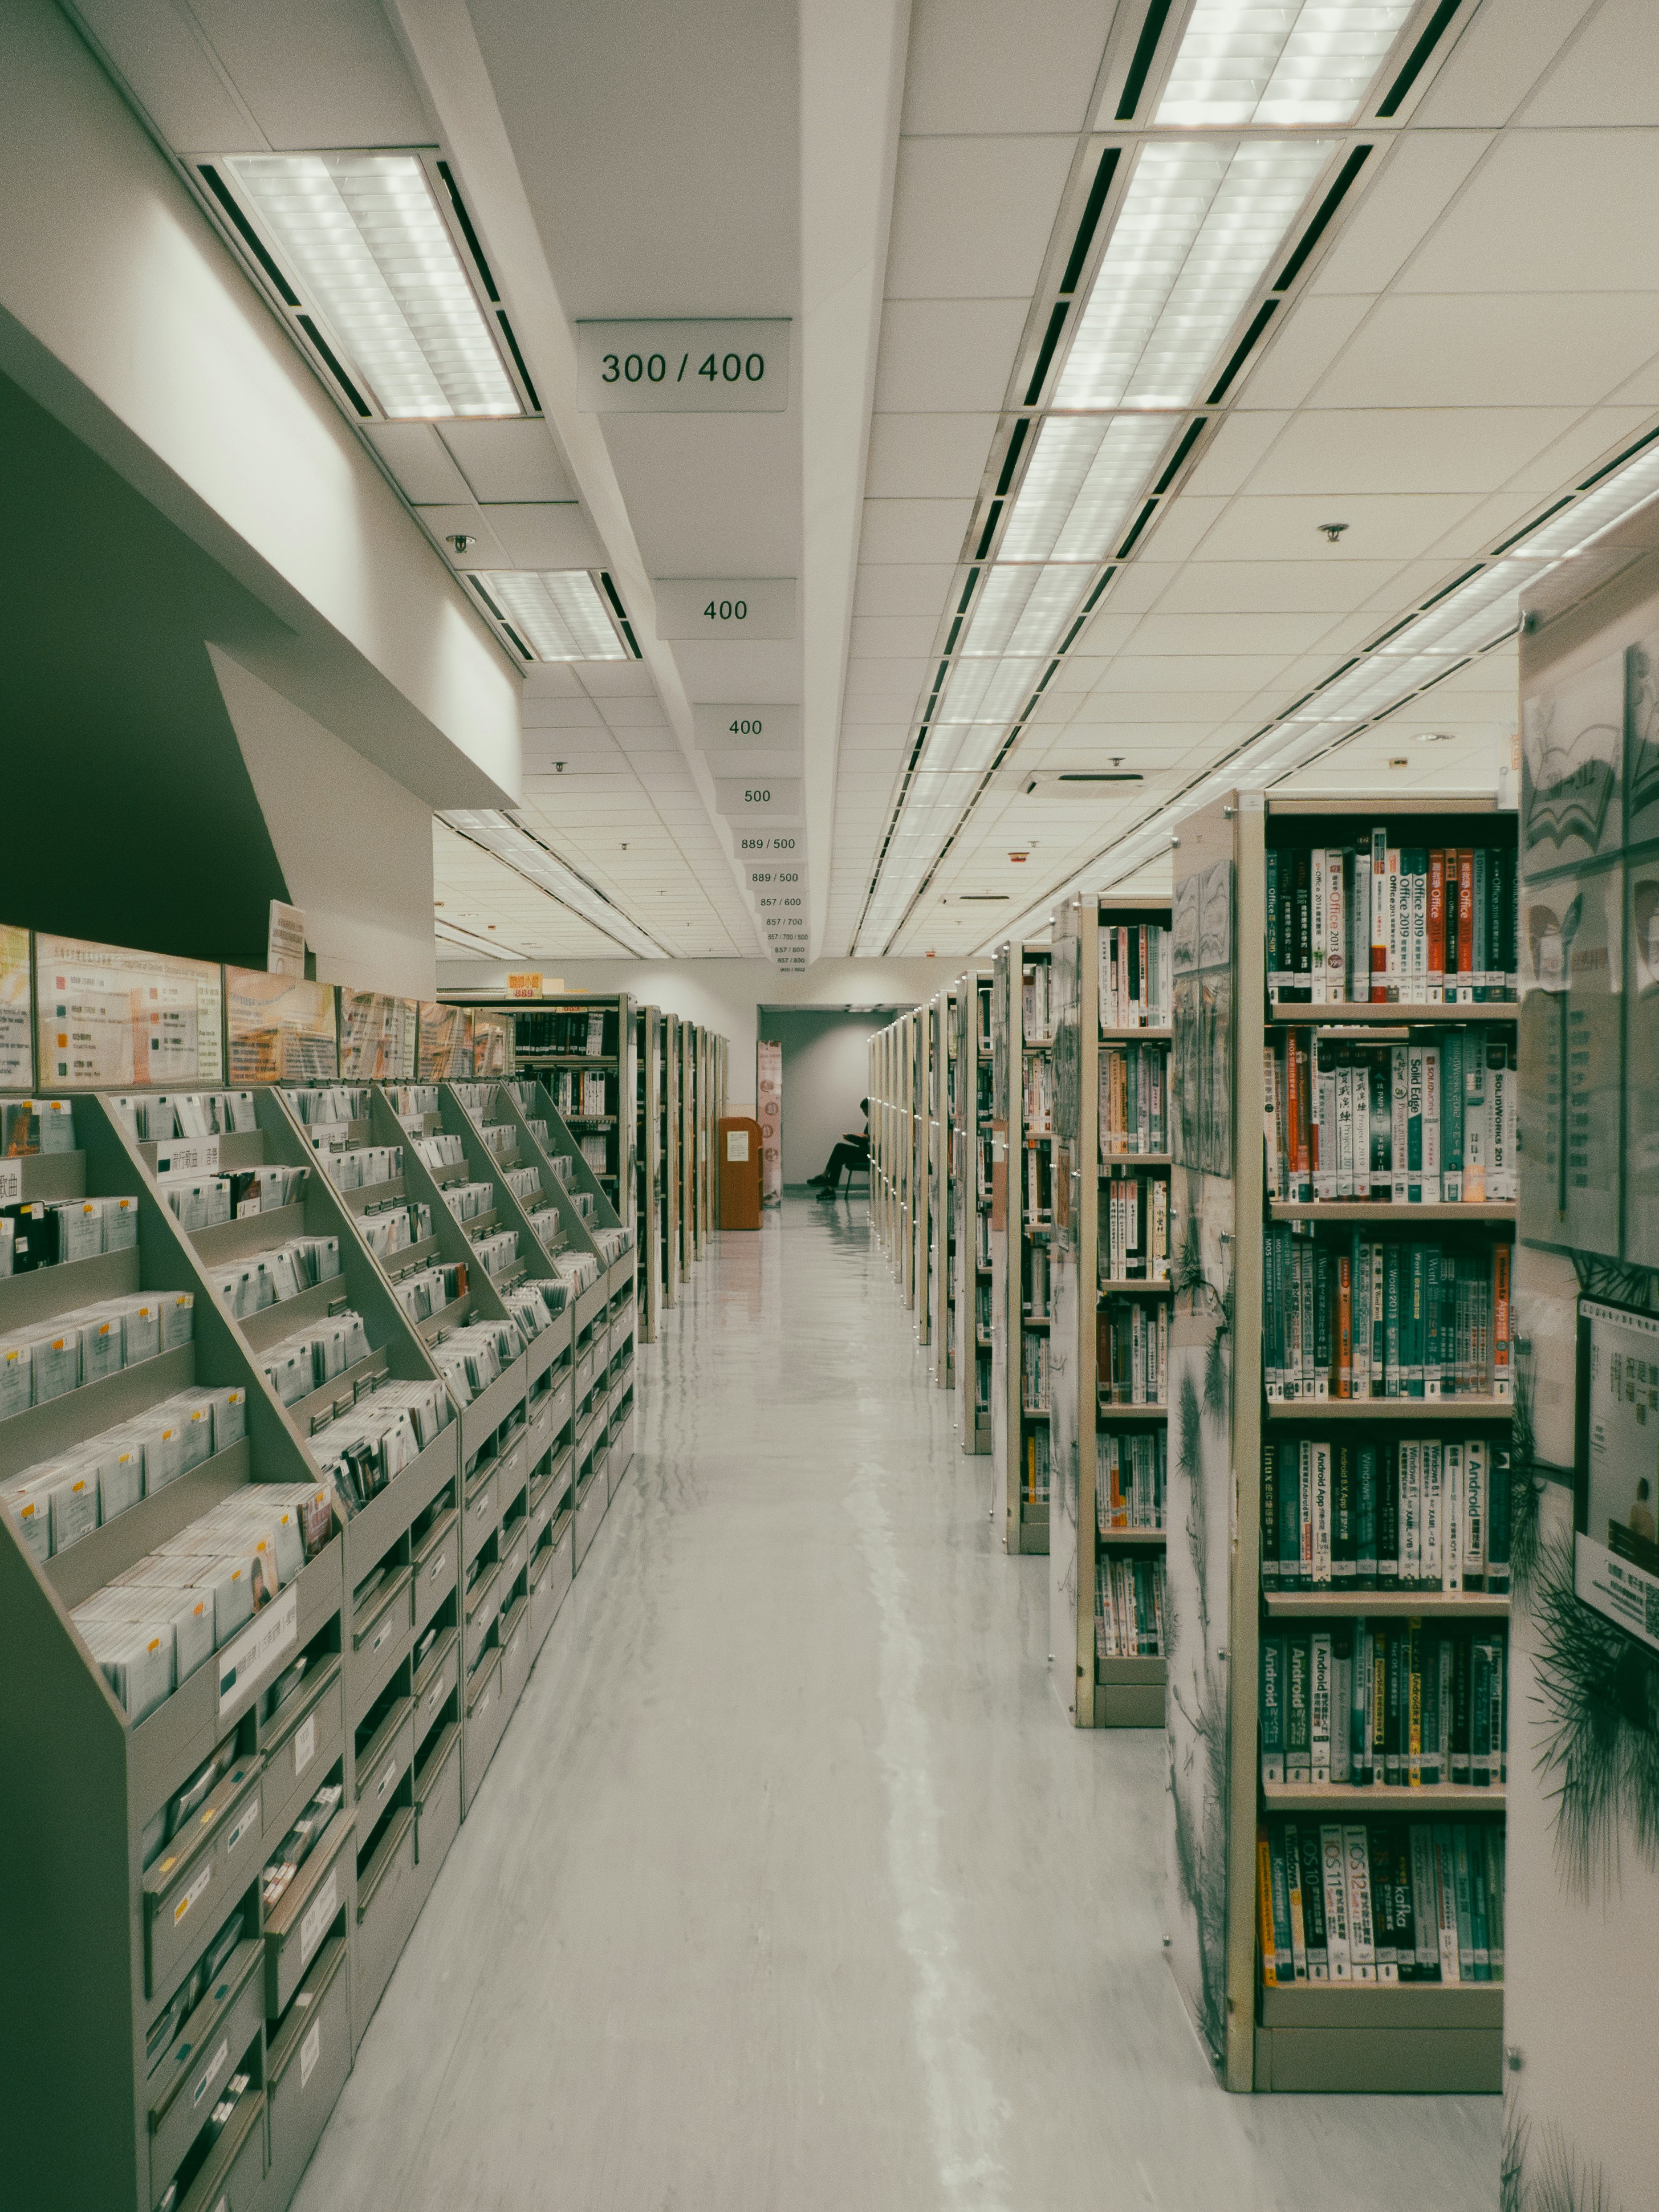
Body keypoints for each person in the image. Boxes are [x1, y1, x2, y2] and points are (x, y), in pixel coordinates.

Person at [808, 1100, 871, 1197]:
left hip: (869, 1154)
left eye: (866, 1112)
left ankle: (825, 1178)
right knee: (839, 1155)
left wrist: (855, 1138)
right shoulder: (871, 1122)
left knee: (839, 1148)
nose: (865, 1114)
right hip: (866, 1151)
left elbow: (869, 1141)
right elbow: (866, 1139)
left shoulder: (876, 1123)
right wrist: (853, 1138)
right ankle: (830, 1188)